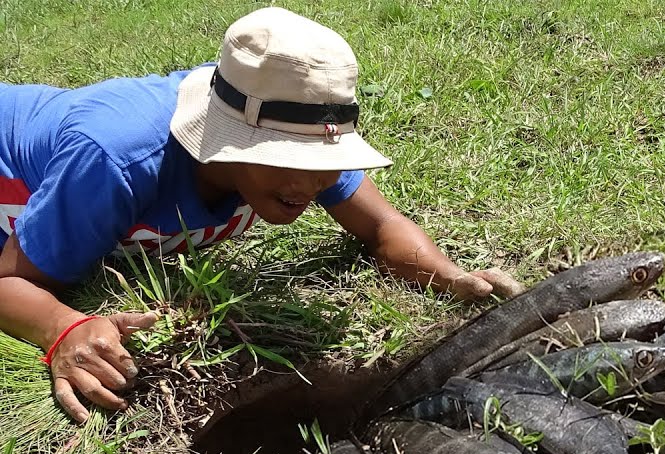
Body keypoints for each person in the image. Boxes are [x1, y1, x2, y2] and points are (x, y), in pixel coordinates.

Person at [0, 7, 524, 425]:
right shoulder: (117, 161)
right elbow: (9, 282)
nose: (314, 182)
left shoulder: (296, 124)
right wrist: (61, 327)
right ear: (228, 140)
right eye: (291, 159)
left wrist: (448, 275)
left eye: (323, 163)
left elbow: (383, 225)